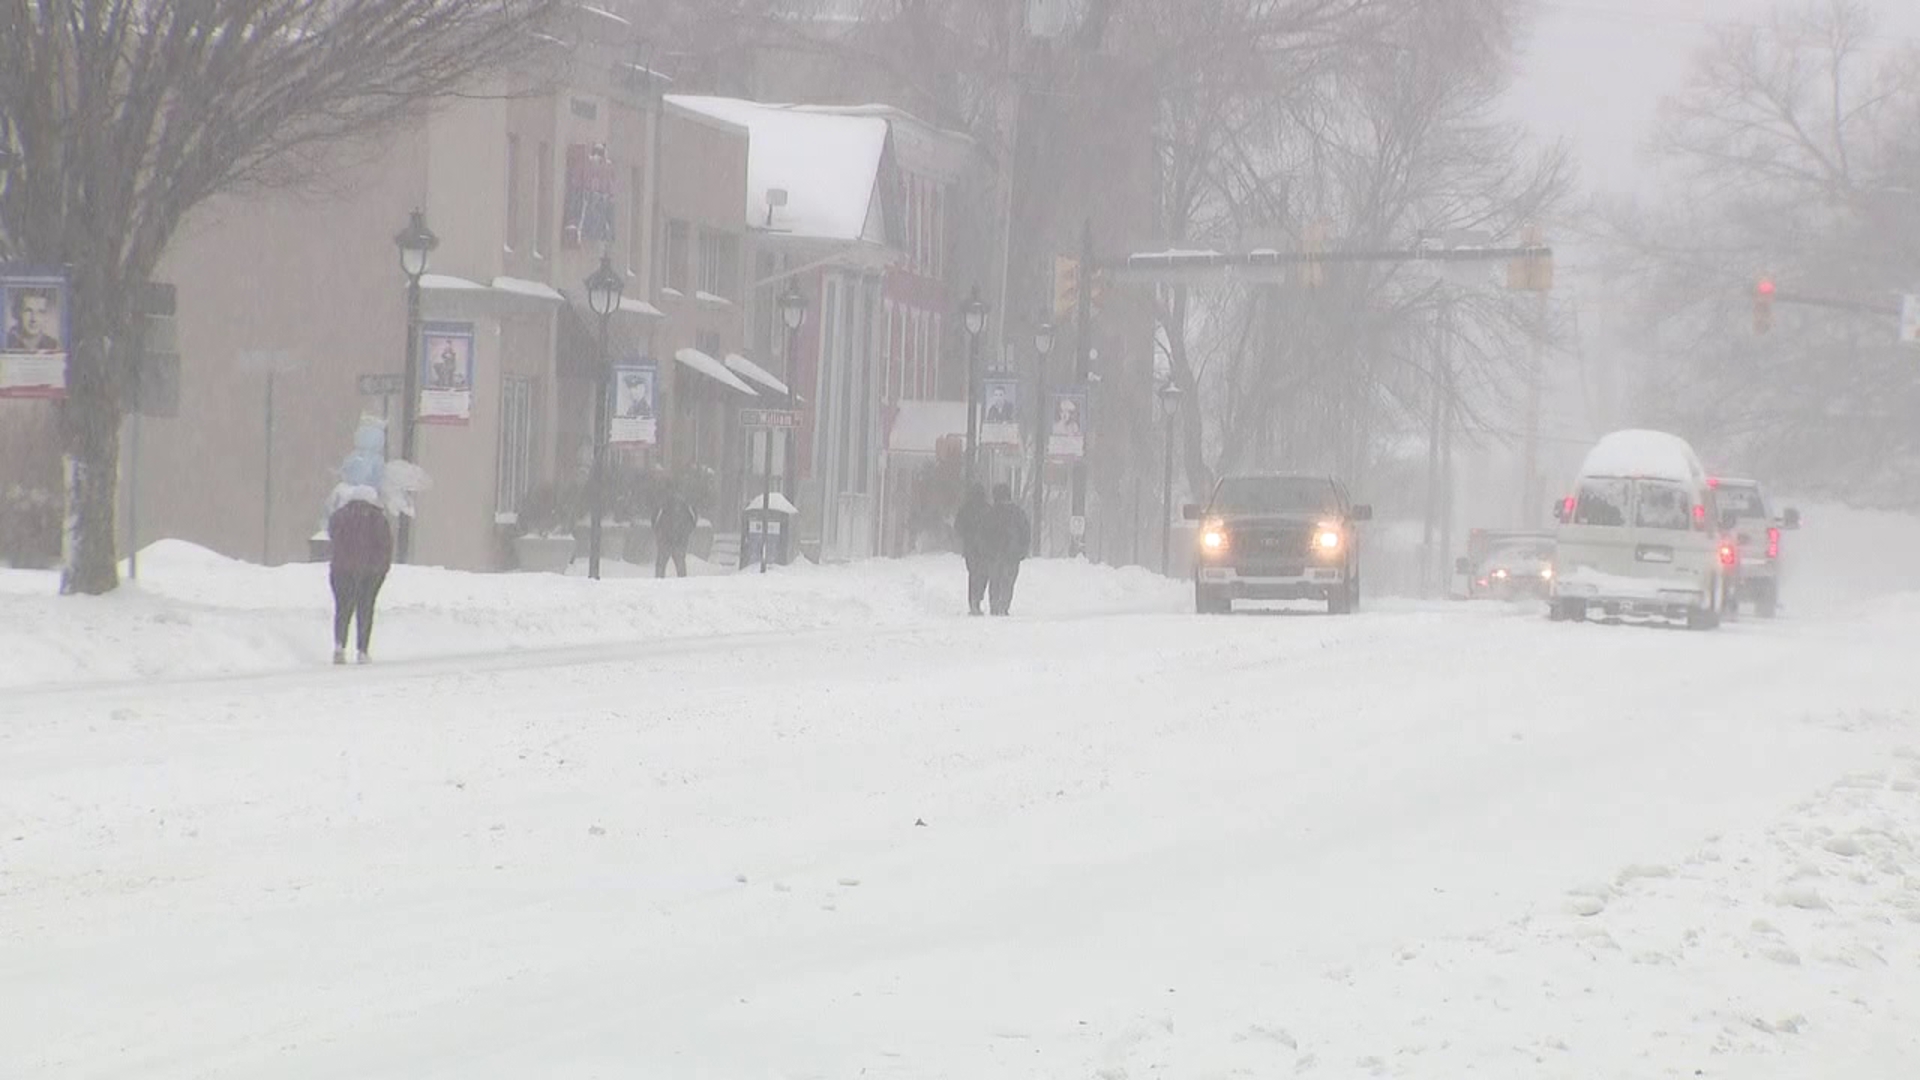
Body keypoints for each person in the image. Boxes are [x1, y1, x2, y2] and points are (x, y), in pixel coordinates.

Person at [326, 491, 393, 665]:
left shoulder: (339, 516)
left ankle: (339, 646)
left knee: (342, 608)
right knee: (365, 608)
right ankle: (362, 650)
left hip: (341, 569)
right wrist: (381, 569)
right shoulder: (377, 519)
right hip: (369, 571)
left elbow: (333, 537)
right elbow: (385, 545)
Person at [984, 482, 1031, 616]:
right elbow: (1025, 532)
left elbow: (983, 533)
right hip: (1013, 553)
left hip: (994, 552)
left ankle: (994, 605)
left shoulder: (991, 513)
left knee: (994, 580)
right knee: (1008, 581)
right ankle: (1004, 605)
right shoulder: (1018, 512)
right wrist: (1023, 549)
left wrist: (986, 549)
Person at [953, 483, 991, 616]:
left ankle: (973, 601)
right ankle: (978, 598)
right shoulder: (987, 509)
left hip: (970, 548)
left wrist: (966, 536)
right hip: (985, 548)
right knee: (983, 574)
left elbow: (958, 526)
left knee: (973, 574)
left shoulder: (965, 509)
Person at [653, 487, 697, 578]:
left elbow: (655, 516)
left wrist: (657, 530)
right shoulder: (685, 504)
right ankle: (682, 583)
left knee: (661, 564)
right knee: (680, 564)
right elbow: (693, 518)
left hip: (665, 537)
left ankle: (658, 583)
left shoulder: (664, 502)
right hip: (680, 538)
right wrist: (687, 531)